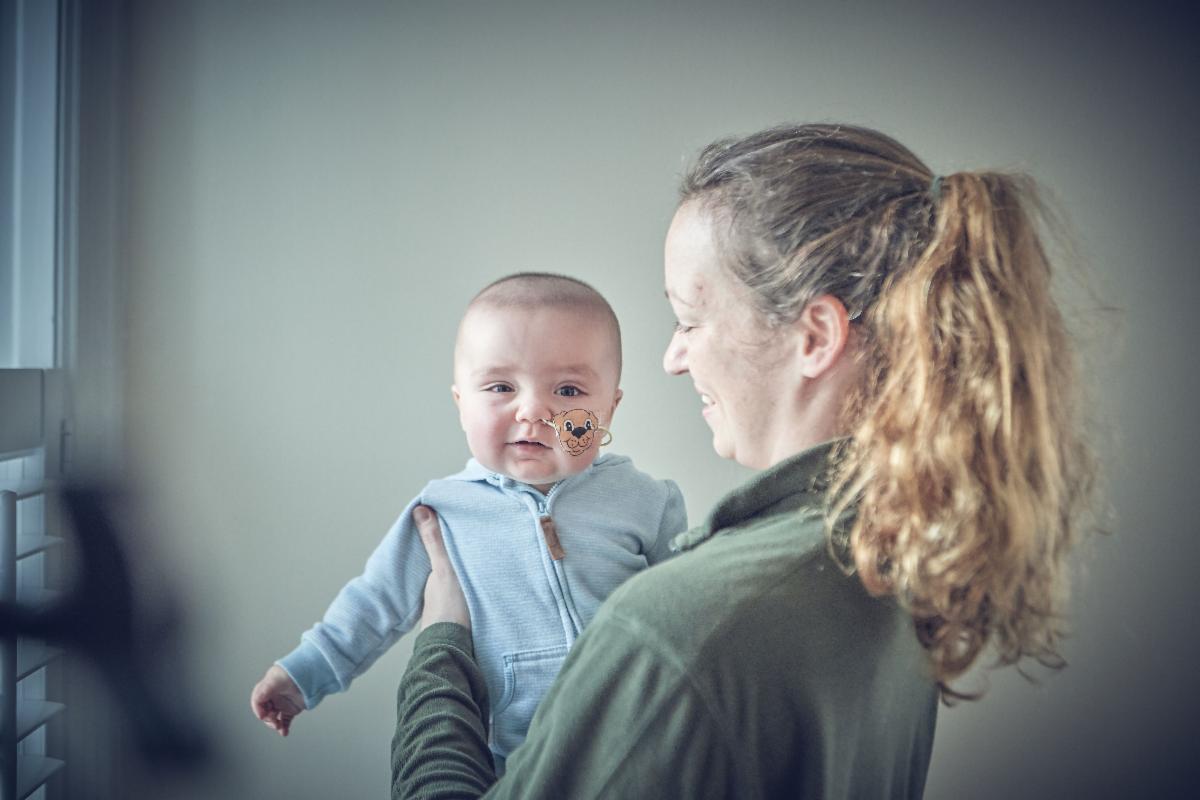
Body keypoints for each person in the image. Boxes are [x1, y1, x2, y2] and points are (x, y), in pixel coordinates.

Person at [392, 124, 1097, 798]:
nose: (672, 358)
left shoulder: (679, 630)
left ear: (815, 337)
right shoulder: (898, 548)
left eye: (689, 320)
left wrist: (442, 646)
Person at [250, 273, 687, 767]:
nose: (532, 411)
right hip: (513, 759)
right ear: (461, 404)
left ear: (608, 409)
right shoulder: (443, 511)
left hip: (643, 742)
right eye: (501, 386)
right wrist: (302, 675)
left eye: (568, 389)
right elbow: (376, 601)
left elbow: (690, 616)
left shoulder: (647, 502)